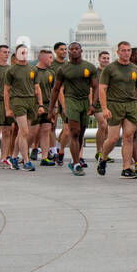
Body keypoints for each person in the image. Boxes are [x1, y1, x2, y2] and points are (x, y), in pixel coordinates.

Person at [49, 42, 99, 176]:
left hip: (84, 101)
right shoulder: (63, 69)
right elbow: (56, 89)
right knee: (74, 132)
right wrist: (51, 109)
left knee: (81, 134)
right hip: (71, 100)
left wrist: (93, 104)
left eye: (76, 49)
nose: (74, 51)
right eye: (71, 49)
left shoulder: (89, 67)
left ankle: (74, 159)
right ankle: (76, 163)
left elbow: (96, 87)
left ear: (81, 51)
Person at [96, 42, 137, 178]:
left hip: (131, 105)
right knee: (113, 138)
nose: (126, 53)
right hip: (115, 105)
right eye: (123, 50)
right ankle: (103, 158)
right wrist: (104, 108)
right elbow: (102, 89)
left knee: (128, 137)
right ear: (117, 52)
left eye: (128, 50)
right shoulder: (110, 69)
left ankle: (126, 167)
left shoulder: (135, 69)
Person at [3, 43, 41, 171]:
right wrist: (8, 108)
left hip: (31, 101)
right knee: (24, 131)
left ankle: (13, 156)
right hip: (18, 101)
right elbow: (6, 90)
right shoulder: (11, 70)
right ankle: (26, 160)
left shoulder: (33, 69)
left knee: (23, 132)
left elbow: (37, 88)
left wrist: (40, 104)